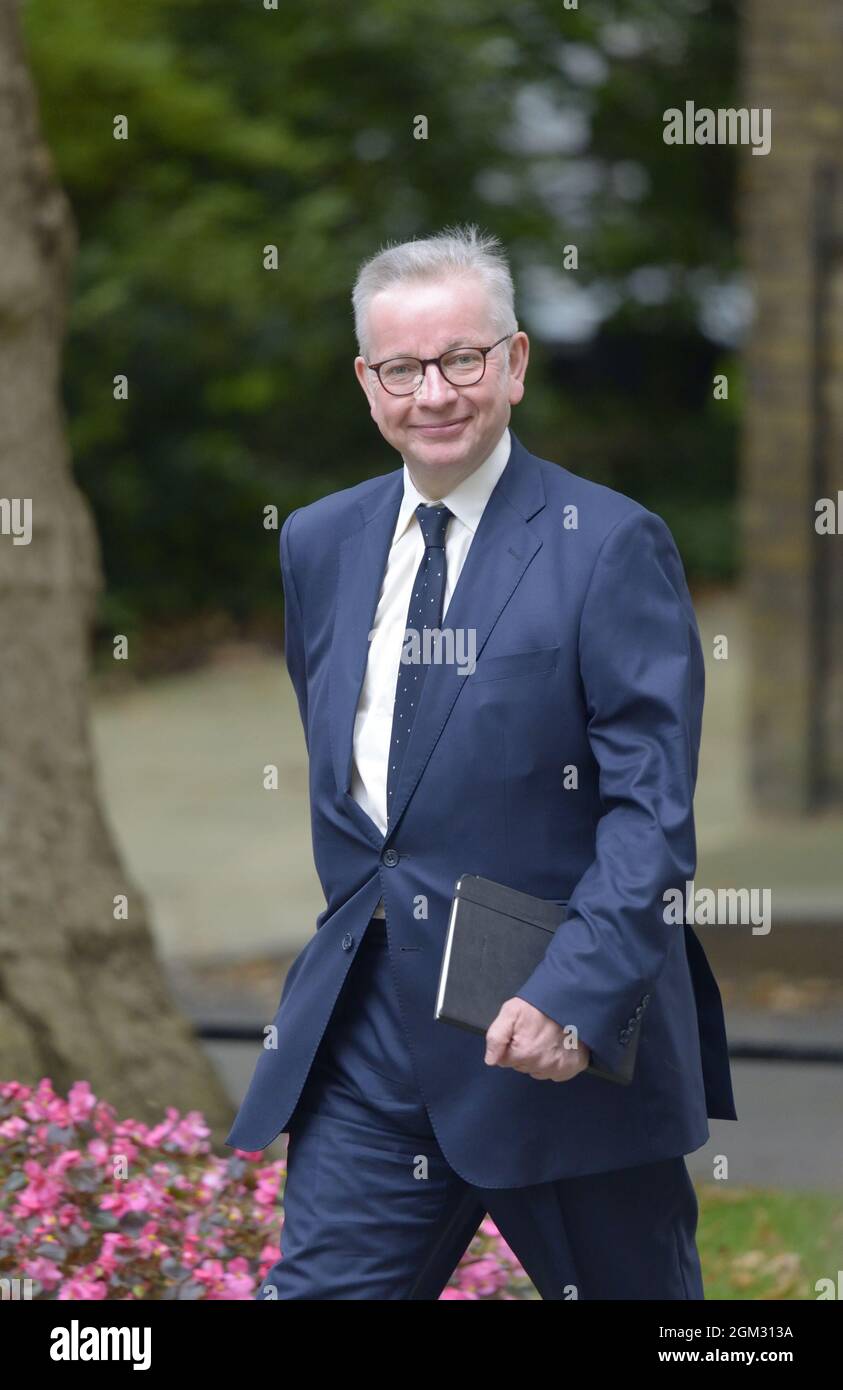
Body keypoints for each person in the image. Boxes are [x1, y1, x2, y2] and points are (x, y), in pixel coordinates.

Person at [225, 223, 737, 1299]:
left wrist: (575, 993)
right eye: (404, 368)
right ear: (368, 382)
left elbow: (649, 814)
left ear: (514, 362)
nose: (436, 393)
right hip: (370, 1033)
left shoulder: (608, 544)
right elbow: (374, 800)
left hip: (557, 1037)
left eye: (463, 357)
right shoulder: (318, 543)